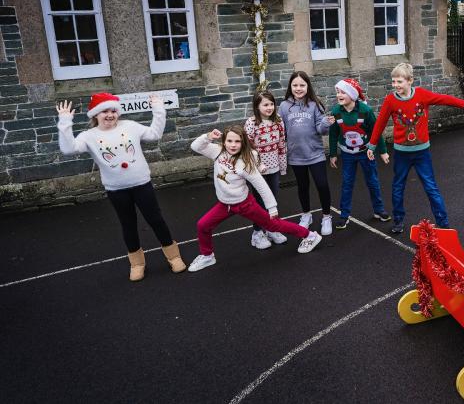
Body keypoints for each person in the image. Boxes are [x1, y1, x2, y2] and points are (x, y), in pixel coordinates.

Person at [56, 92, 186, 281]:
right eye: (104, 111)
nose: (110, 115)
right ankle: (137, 263)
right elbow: (68, 149)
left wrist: (158, 109)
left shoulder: (130, 126)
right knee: (128, 225)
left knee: (156, 220)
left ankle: (174, 256)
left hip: (142, 184)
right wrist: (65, 122)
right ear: (95, 115)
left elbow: (154, 134)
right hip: (116, 190)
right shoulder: (88, 136)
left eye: (113, 111)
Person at [367, 63, 464, 234]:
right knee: (398, 186)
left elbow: (445, 99)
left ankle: (443, 224)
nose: (395, 85)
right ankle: (399, 220)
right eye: (393, 82)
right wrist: (372, 145)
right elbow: (380, 124)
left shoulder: (422, 95)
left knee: (431, 187)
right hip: (401, 153)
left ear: (410, 81)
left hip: (422, 153)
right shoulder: (390, 100)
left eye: (399, 81)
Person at [188, 126, 322, 272]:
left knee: (273, 225)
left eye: (237, 141)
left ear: (243, 142)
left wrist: (272, 208)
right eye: (230, 141)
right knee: (202, 225)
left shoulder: (245, 163)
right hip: (224, 204)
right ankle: (207, 256)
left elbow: (261, 186)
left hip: (244, 204)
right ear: (224, 141)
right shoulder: (217, 151)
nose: (233, 145)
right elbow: (195, 146)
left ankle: (310, 236)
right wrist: (208, 136)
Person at [328, 78, 391, 229]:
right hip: (347, 154)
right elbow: (333, 133)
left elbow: (376, 132)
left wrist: (382, 151)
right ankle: (344, 215)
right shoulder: (336, 112)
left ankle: (379, 210)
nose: (339, 95)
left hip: (365, 153)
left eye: (343, 92)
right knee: (347, 183)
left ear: (352, 94)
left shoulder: (365, 111)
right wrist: (333, 154)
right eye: (337, 92)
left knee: (372, 182)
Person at [278, 71, 335, 235]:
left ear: (307, 86)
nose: (298, 88)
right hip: (296, 156)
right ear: (290, 86)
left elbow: (321, 131)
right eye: (295, 85)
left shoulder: (315, 105)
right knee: (302, 187)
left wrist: (325, 123)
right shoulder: (284, 106)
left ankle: (326, 217)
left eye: (302, 85)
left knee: (322, 185)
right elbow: (282, 131)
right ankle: (306, 215)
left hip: (315, 154)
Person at [244, 90, 288, 250]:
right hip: (257, 172)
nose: (269, 107)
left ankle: (271, 229)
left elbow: (282, 144)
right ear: (257, 106)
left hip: (274, 168)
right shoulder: (251, 123)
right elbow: (247, 148)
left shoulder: (278, 121)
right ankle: (257, 233)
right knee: (260, 203)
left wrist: (282, 166)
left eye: (271, 104)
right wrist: (257, 163)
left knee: (273, 201)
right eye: (265, 104)